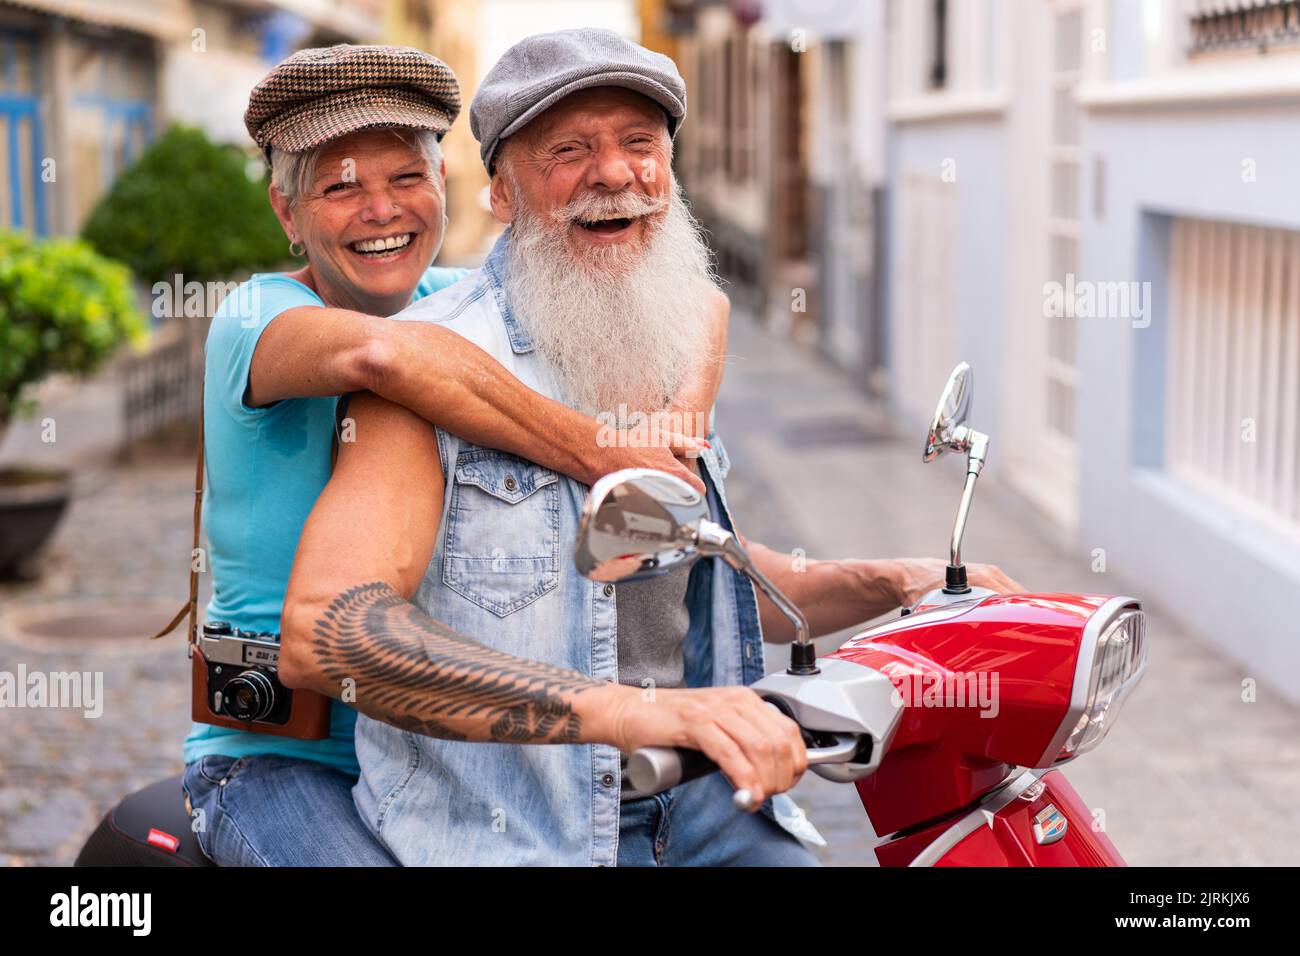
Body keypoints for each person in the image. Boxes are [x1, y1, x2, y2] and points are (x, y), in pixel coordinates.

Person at [280, 29, 1023, 866]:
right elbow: (328, 637)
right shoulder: (433, 373)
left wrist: (897, 580)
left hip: (705, 805)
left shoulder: (658, 341)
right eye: (568, 149)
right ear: (501, 192)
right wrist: (640, 713)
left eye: (640, 144)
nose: (613, 172)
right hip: (522, 832)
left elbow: (710, 573)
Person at [182, 43, 723, 867]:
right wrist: (615, 459)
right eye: (341, 186)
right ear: (288, 215)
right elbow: (387, 360)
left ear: (444, 188)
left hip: (421, 750)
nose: (381, 208)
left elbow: (704, 302)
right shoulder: (259, 314)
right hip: (277, 754)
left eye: (406, 178)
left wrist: (683, 422)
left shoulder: (442, 301)